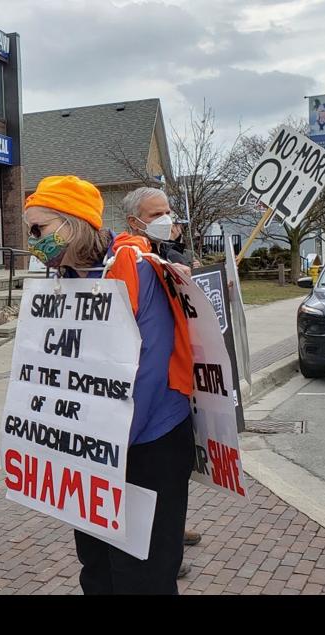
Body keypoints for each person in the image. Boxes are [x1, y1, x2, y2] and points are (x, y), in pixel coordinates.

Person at [26, 176, 196, 594]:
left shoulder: (140, 271)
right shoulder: (61, 282)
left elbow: (151, 374)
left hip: (146, 446)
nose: (33, 241)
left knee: (143, 576)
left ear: (72, 223)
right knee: (97, 568)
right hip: (95, 452)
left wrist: (102, 449)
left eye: (39, 229)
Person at [118, 188, 205, 570]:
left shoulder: (170, 257)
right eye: (157, 214)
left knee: (165, 503)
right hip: (155, 414)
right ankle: (164, 556)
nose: (167, 220)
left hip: (174, 402)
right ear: (134, 221)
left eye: (168, 211)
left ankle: (168, 548)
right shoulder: (133, 262)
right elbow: (147, 352)